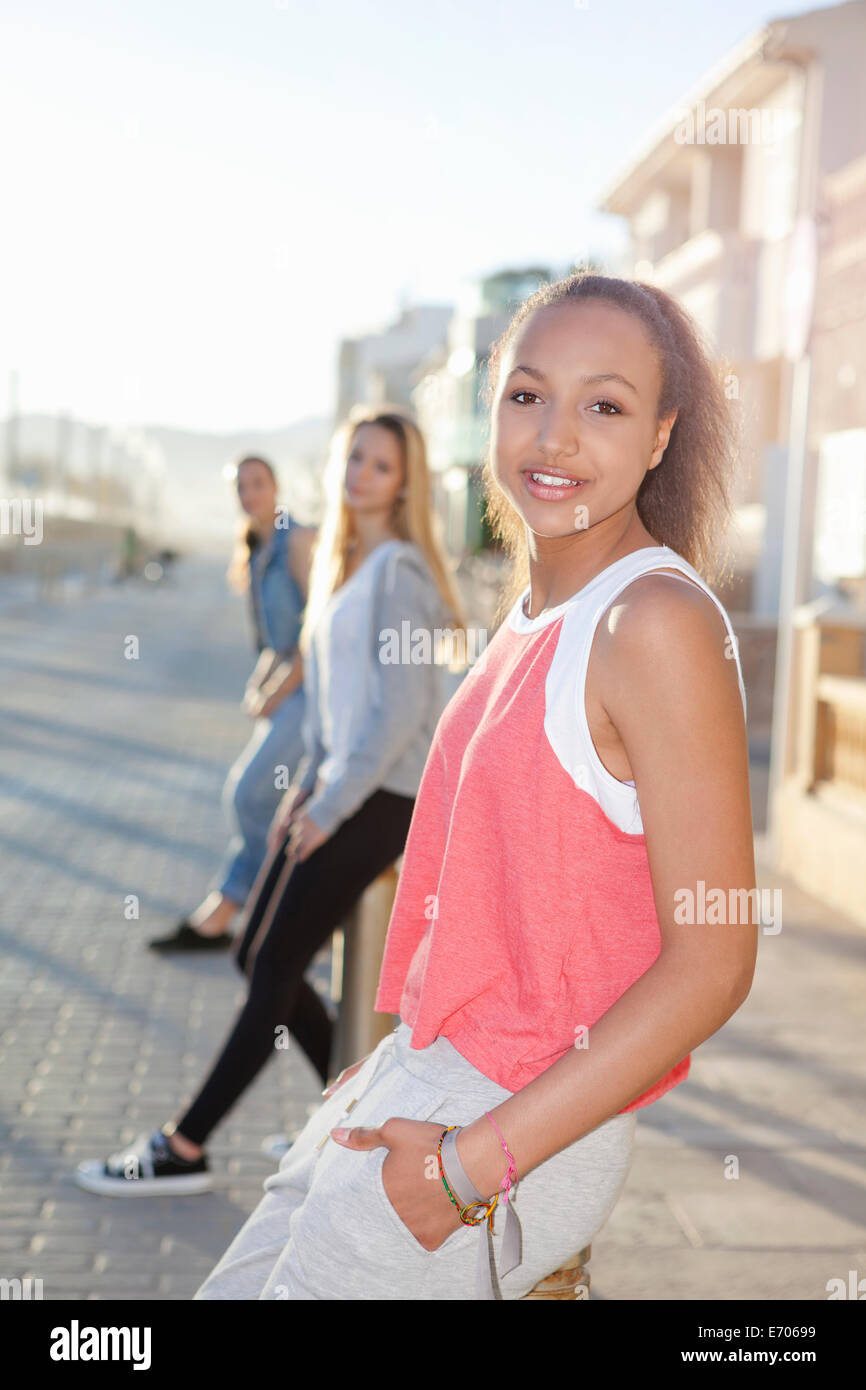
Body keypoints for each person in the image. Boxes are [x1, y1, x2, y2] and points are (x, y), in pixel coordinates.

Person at [189, 270, 758, 1301]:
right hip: (424, 1072)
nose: (554, 438)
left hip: (503, 1124)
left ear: (662, 434)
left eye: (604, 405)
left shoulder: (655, 624)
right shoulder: (536, 605)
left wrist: (467, 1167)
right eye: (528, 395)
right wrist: (391, 1060)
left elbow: (712, 959)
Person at [74, 405, 465, 1195]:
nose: (362, 475)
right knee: (257, 952)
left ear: (405, 485)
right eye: (355, 457)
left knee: (273, 966)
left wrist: (331, 804)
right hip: (339, 788)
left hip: (382, 798)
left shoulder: (401, 574)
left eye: (381, 466)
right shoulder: (344, 565)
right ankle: (355, 1124)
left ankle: (183, 1147)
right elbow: (331, 703)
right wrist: (309, 787)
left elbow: (395, 719)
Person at [148, 455, 316, 952]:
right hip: (288, 685)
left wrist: (275, 690)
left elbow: (316, 632)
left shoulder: (297, 539)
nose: (250, 494)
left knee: (248, 795)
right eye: (242, 487)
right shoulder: (257, 548)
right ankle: (246, 912)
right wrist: (257, 684)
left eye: (258, 484)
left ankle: (243, 907)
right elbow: (274, 641)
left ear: (276, 486)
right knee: (266, 800)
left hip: (312, 691)